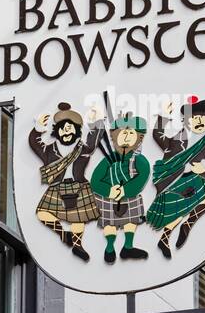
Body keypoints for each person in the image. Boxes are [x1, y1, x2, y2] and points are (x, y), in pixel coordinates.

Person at [145, 97, 205, 258]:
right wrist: (164, 116)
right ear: (187, 122)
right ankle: (165, 239)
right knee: (178, 211)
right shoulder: (177, 141)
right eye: (195, 119)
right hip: (175, 180)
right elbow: (158, 135)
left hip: (196, 178)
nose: (200, 122)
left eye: (202, 119)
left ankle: (188, 224)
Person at [29, 102, 102, 260]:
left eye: (70, 128)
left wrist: (97, 122)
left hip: (79, 186)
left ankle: (77, 245)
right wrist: (38, 129)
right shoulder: (50, 151)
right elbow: (35, 143)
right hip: (57, 187)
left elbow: (93, 141)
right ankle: (62, 233)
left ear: (76, 131)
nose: (66, 132)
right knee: (42, 213)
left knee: (79, 217)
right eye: (62, 128)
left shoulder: (83, 149)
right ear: (57, 132)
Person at [88, 112, 152, 263]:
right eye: (123, 133)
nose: (127, 136)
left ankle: (127, 246)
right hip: (108, 198)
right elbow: (95, 180)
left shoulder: (140, 160)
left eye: (131, 133)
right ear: (116, 136)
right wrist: (109, 190)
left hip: (129, 196)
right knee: (110, 223)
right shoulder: (108, 159)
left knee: (131, 221)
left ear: (138, 138)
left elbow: (142, 177)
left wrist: (125, 190)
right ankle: (110, 246)